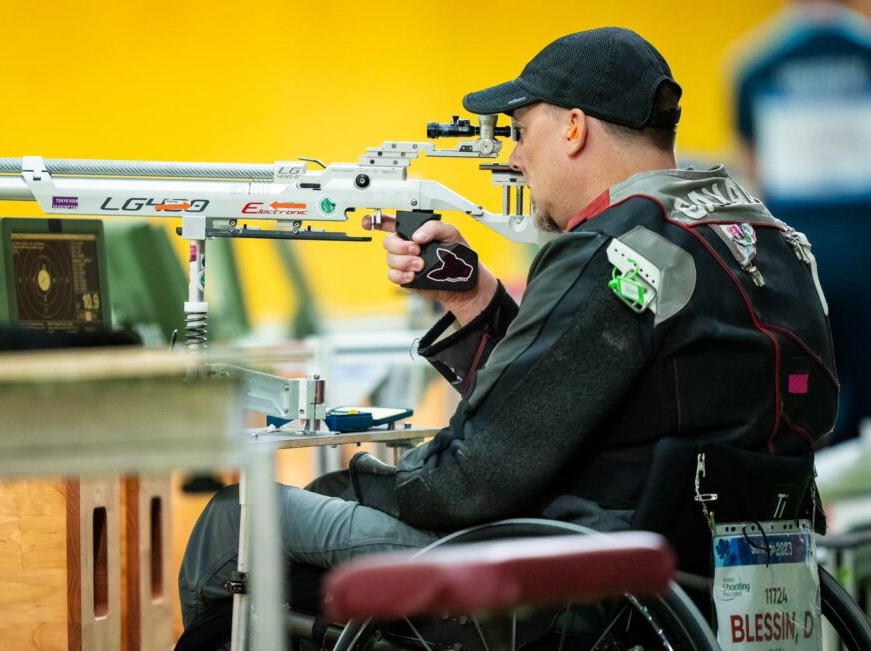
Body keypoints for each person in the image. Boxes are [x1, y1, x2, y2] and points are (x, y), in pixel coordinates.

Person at [177, 26, 838, 647]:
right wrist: (474, 299)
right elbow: (592, 397)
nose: (516, 158)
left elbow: (468, 479)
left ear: (574, 128)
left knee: (239, 519)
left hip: (572, 589)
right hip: (699, 585)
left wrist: (366, 480)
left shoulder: (613, 248)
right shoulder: (772, 244)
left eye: (522, 132)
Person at [730, 0, 871, 443]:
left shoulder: (757, 64)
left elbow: (752, 169)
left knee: (801, 382)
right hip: (864, 252)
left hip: (798, 261)